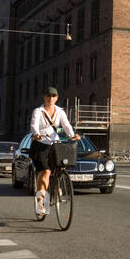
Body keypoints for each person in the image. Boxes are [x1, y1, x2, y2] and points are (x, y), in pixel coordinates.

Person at [29, 88, 79, 217]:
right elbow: (34, 125)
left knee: (60, 166)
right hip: (40, 144)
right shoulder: (38, 111)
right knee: (45, 171)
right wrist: (36, 134)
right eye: (48, 96)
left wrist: (72, 135)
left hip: (55, 144)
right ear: (44, 97)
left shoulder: (60, 111)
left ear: (56, 98)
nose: (50, 98)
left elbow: (66, 125)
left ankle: (57, 185)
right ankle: (40, 202)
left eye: (53, 96)